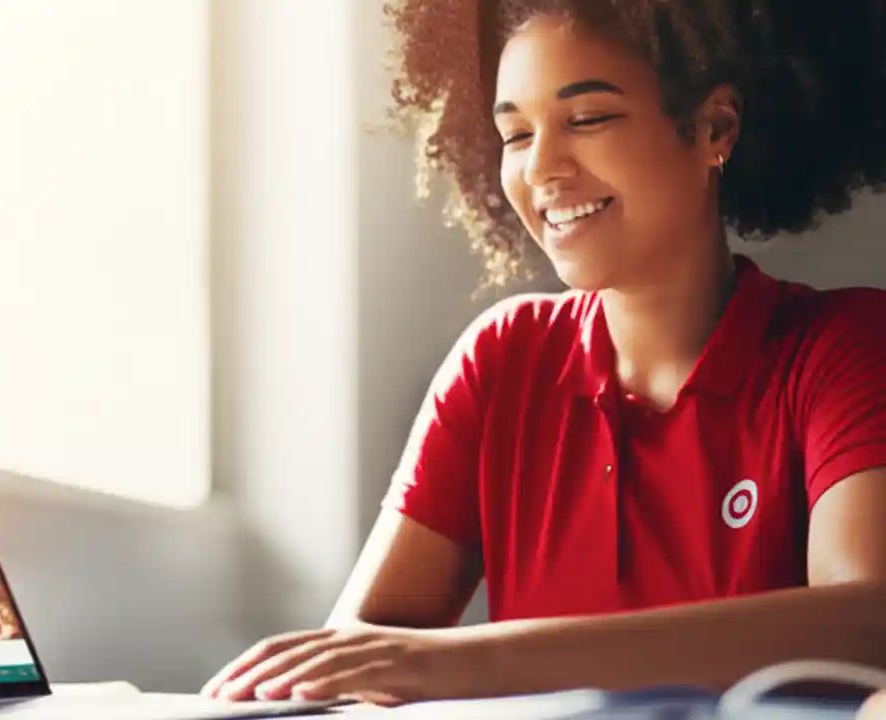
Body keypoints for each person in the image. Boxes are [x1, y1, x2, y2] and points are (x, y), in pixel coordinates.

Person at [201, 0, 886, 707]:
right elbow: (363, 656)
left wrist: (467, 662)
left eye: (587, 119)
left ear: (715, 128)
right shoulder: (502, 362)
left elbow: (869, 622)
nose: (542, 169)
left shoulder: (842, 348)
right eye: (515, 133)